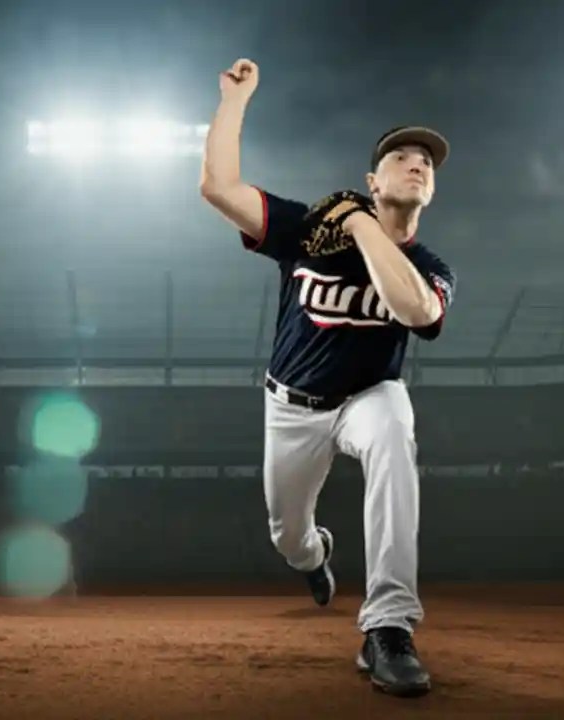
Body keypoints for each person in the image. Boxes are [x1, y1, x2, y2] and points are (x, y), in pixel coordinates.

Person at [199, 58, 457, 698]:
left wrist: (364, 225)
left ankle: (389, 627)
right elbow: (217, 187)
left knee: (396, 431)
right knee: (288, 536)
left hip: (369, 396)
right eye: (402, 156)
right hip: (291, 406)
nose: (418, 162)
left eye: (427, 161)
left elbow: (416, 312)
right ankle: (314, 556)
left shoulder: (430, 264)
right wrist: (234, 101)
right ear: (374, 178)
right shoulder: (308, 232)